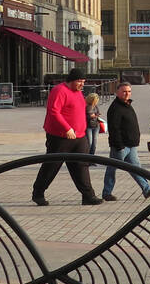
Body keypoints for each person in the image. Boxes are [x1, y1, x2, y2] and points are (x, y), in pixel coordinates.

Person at [32, 67, 102, 206]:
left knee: (81, 165)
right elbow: (54, 111)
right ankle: (38, 193)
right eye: (79, 81)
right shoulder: (59, 90)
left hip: (80, 136)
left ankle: (88, 195)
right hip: (60, 136)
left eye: (83, 81)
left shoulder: (78, 93)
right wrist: (67, 128)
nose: (82, 84)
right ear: (71, 80)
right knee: (52, 165)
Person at [102, 81, 150, 202]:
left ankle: (146, 189)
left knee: (136, 168)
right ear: (117, 92)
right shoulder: (115, 108)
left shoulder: (127, 105)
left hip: (131, 145)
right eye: (124, 91)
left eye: (129, 91)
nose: (127, 94)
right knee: (112, 168)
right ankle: (107, 192)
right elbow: (114, 128)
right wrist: (119, 146)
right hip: (121, 146)